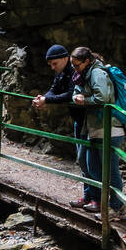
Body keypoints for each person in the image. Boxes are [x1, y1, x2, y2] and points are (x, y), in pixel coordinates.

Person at [31, 44, 91, 205]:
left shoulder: (75, 71)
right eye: (50, 64)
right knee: (84, 160)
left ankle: (96, 198)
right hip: (79, 121)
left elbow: (71, 94)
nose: (52, 67)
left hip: (89, 121)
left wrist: (47, 100)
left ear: (65, 58)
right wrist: (43, 98)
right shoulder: (61, 72)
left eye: (54, 63)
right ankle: (89, 196)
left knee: (88, 160)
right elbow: (54, 89)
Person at [70, 46, 124, 217]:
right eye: (73, 65)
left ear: (86, 61)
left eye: (77, 65)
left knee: (110, 171)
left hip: (109, 128)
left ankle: (116, 206)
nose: (75, 68)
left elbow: (103, 98)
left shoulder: (97, 74)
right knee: (91, 167)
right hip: (95, 128)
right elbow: (76, 91)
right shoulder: (84, 74)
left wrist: (84, 100)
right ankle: (100, 201)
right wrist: (77, 97)